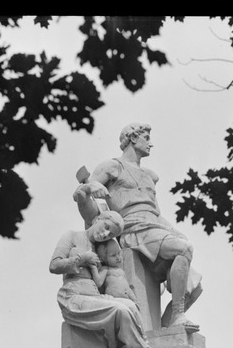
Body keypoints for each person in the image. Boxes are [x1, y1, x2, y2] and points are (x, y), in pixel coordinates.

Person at [73, 122, 202, 331]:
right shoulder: (112, 166)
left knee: (195, 287)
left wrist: (176, 232)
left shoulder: (150, 177)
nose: (151, 144)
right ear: (133, 138)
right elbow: (85, 199)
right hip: (134, 230)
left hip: (155, 228)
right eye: (147, 138)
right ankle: (178, 315)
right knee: (183, 249)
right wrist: (88, 187)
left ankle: (164, 330)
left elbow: (156, 213)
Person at [49, 210, 175, 348]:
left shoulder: (102, 250)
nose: (105, 234)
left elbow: (106, 279)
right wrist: (82, 258)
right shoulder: (72, 236)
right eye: (106, 227)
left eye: (110, 234)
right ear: (98, 219)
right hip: (72, 296)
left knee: (131, 305)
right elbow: (54, 265)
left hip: (95, 297)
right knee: (119, 309)